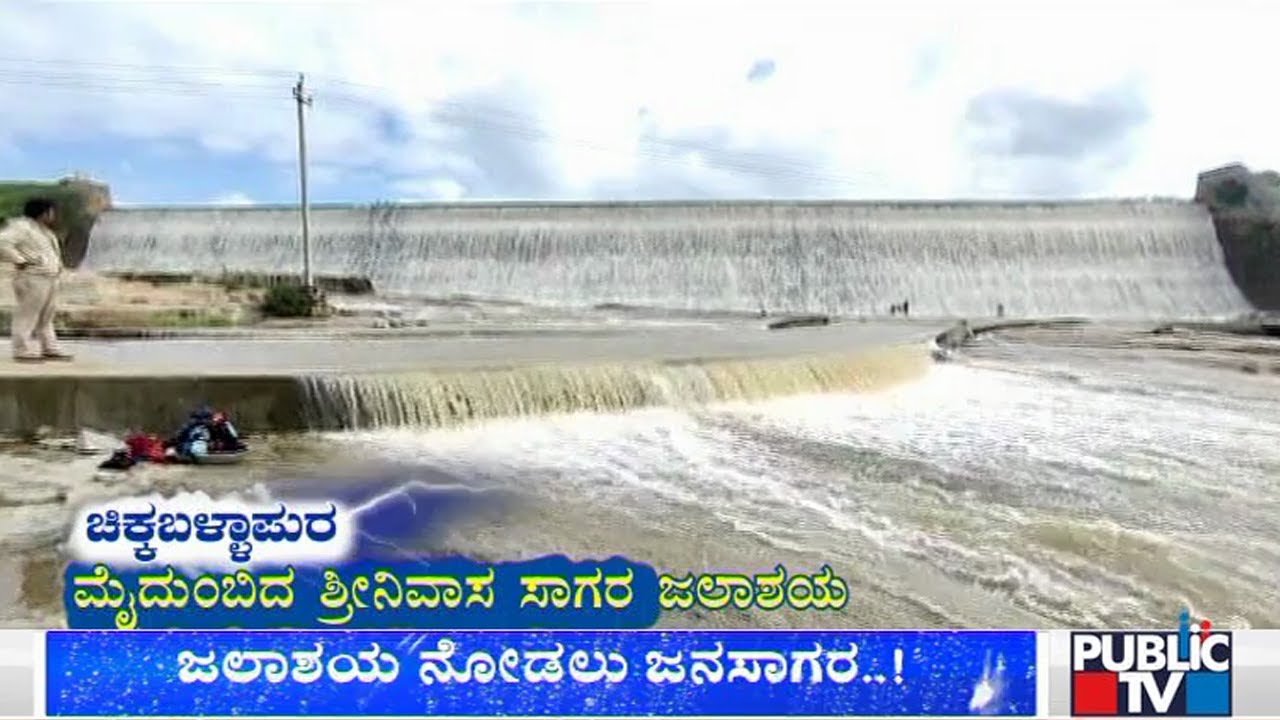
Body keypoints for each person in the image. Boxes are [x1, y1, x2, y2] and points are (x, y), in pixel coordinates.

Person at [0, 198, 72, 362]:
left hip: (49, 276)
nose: (53, 215)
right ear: (43, 212)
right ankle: (22, 350)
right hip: (32, 276)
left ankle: (50, 348)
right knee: (27, 314)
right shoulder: (21, 227)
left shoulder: (43, 230)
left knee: (46, 316)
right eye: (51, 211)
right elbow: (2, 242)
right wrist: (19, 260)